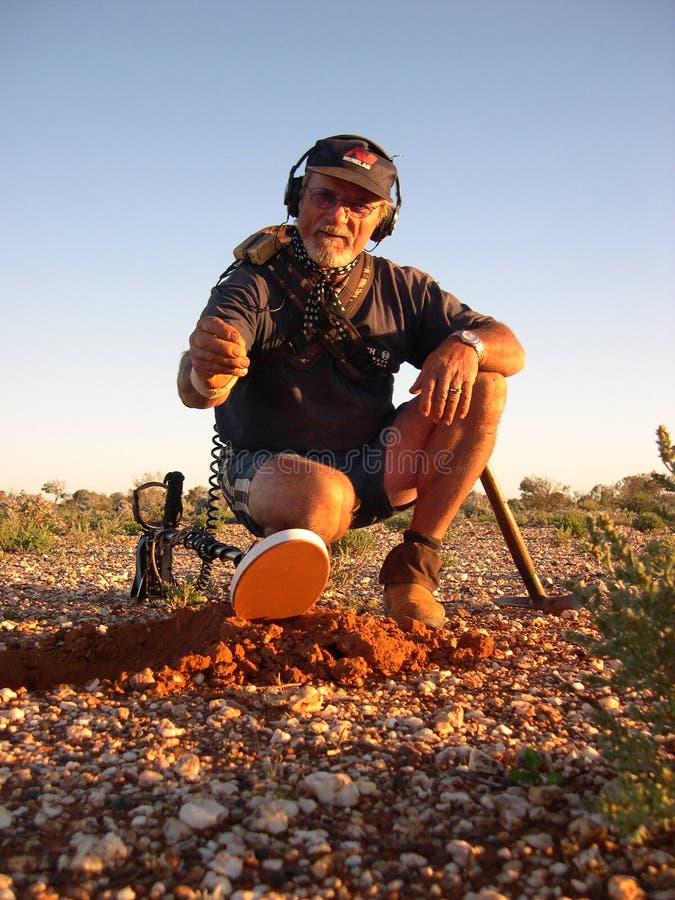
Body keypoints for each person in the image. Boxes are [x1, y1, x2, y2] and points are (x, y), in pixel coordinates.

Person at [178, 134, 525, 627]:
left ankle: (413, 572)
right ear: (298, 197)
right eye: (325, 197)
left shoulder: (403, 286)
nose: (339, 216)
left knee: (487, 381)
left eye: (360, 205)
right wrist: (208, 369)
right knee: (322, 497)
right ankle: (284, 578)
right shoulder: (252, 280)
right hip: (270, 472)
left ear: (383, 219)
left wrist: (467, 346)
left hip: (374, 465)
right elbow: (196, 388)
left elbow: (510, 346)